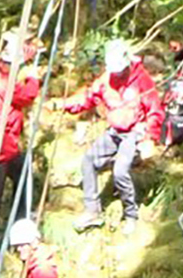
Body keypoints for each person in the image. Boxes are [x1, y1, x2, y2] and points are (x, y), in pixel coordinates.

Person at [61, 38, 164, 230]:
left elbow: (155, 110)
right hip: (114, 131)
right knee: (89, 161)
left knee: (120, 171)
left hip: (134, 132)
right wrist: (65, 105)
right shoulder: (106, 79)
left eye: (120, 70)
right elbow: (89, 97)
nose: (117, 74)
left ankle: (130, 214)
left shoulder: (141, 79)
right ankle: (92, 211)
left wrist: (150, 137)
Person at [0, 31, 43, 257]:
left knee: (23, 173)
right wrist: (33, 78)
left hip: (5, 144)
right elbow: (25, 96)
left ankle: (20, 223)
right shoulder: (2, 82)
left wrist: (29, 54)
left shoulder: (0, 75)